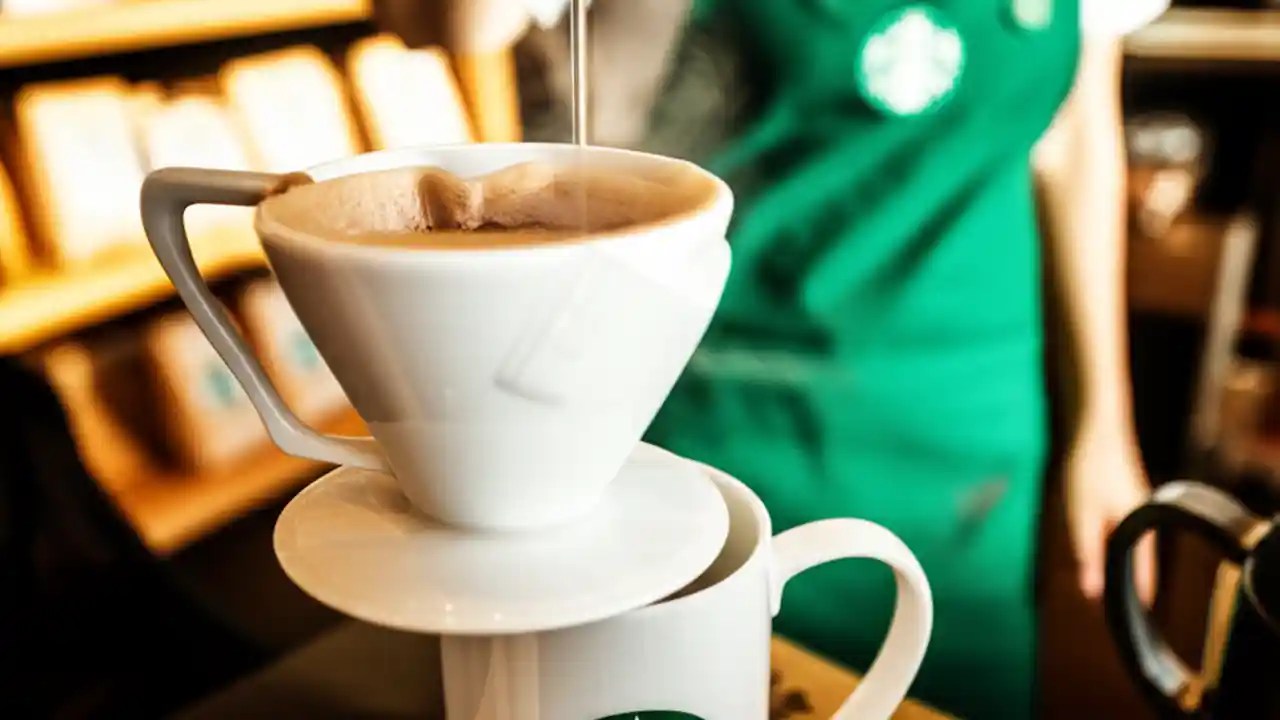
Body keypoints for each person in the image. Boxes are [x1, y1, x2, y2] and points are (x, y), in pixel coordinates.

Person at [378, 1, 1168, 716]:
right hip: (713, 421)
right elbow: (449, 26)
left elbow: (1073, 136)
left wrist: (1107, 422)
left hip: (969, 447)